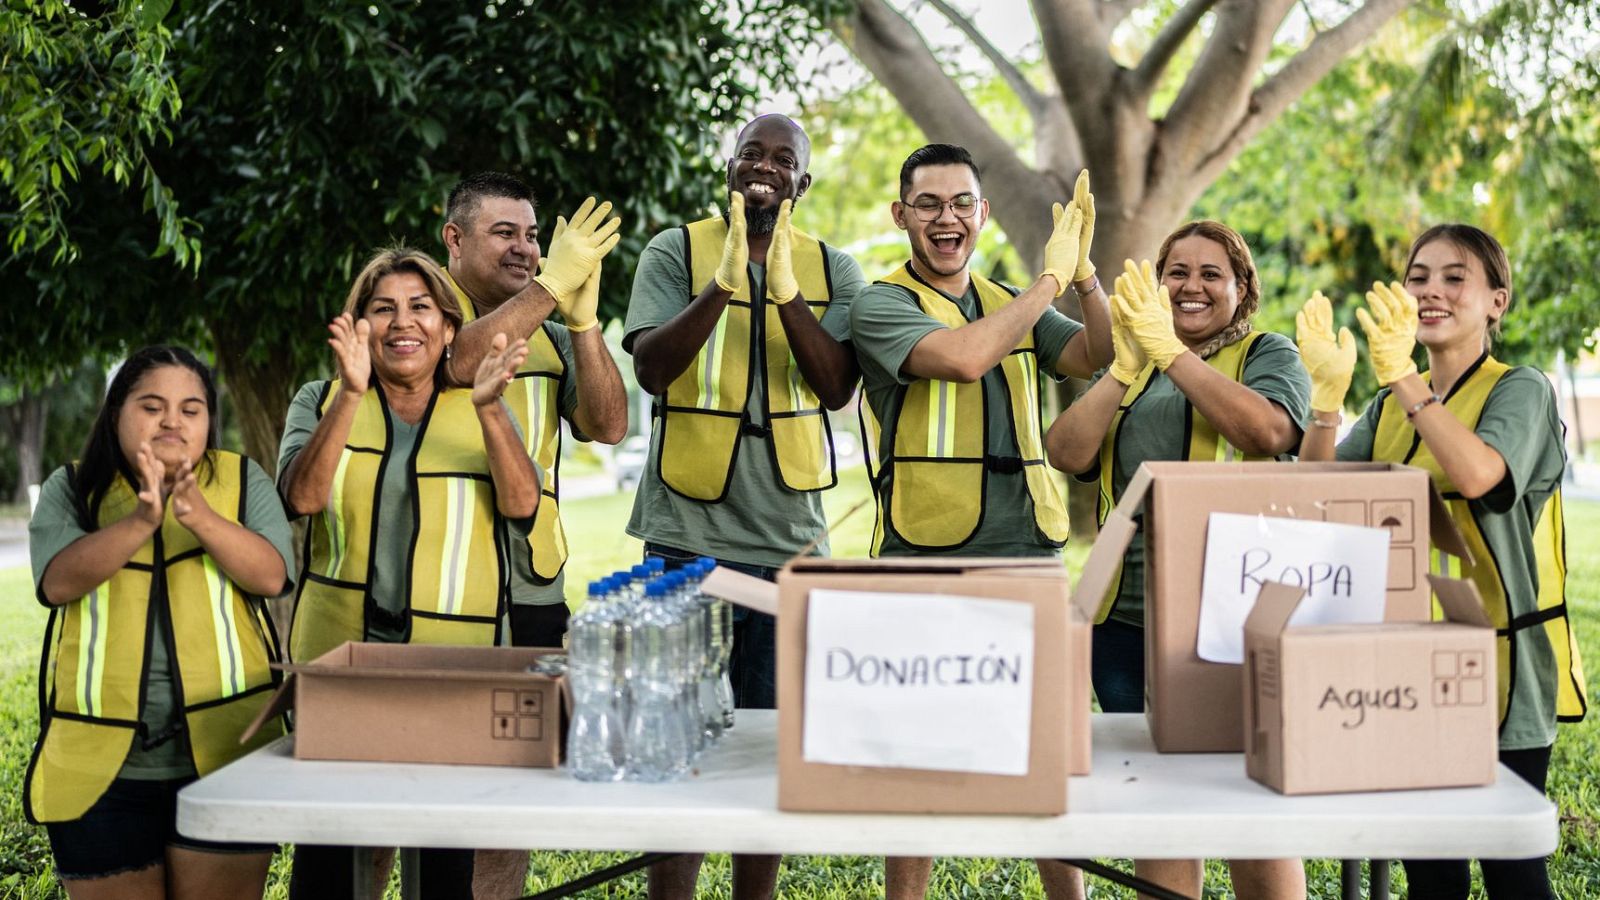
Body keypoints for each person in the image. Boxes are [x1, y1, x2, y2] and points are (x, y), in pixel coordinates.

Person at [849, 143, 1111, 900]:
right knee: (919, 753)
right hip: (922, 557)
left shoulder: (1009, 297)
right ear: (901, 216)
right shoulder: (880, 302)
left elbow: (1093, 352)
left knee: (1041, 744)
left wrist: (1085, 274)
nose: (946, 219)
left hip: (1027, 551)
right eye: (928, 205)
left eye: (962, 202)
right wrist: (1049, 283)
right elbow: (964, 358)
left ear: (982, 214)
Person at [1297, 224, 1587, 899]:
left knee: (1510, 868)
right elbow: (1316, 497)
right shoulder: (1386, 407)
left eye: (1455, 277)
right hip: (1407, 660)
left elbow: (1481, 475)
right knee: (1430, 868)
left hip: (1501, 660)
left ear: (1497, 302)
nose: (1431, 290)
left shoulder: (1522, 391)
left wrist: (1400, 374)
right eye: (1419, 276)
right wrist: (1326, 403)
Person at [624, 113, 864, 900]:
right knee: (678, 731)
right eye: (751, 154)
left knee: (774, 737)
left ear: (804, 182)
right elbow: (654, 369)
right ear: (730, 167)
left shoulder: (836, 268)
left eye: (782, 159)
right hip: (684, 530)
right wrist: (723, 283)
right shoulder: (675, 250)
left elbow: (835, 386)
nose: (764, 167)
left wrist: (787, 289)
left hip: (792, 535)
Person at [1044, 221, 1310, 900]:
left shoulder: (1266, 353)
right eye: (1177, 272)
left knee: (1251, 810)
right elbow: (1067, 452)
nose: (1191, 286)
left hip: (1228, 626)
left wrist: (1170, 354)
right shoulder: (1132, 362)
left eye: (1210, 273)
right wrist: (1128, 369)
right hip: (1125, 623)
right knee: (1156, 814)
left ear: (1241, 288)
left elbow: (1267, 431)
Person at [278, 248, 535, 900]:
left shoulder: (489, 398)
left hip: (452, 669)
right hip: (340, 662)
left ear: (450, 327)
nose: (403, 323)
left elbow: (522, 504)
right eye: (382, 308)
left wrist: (487, 410)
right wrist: (351, 395)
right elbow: (301, 499)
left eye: (421, 307)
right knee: (329, 860)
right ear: (359, 324)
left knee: (444, 866)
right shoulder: (319, 399)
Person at [26, 345, 293, 900]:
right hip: (96, 765)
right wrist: (145, 518)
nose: (173, 420)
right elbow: (57, 582)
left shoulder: (244, 482)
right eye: (153, 406)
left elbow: (270, 576)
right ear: (117, 411)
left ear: (208, 422)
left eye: (191, 409)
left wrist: (196, 513)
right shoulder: (71, 488)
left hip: (229, 753)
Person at [440, 172, 629, 649]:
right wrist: (552, 286)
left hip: (532, 578)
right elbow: (462, 360)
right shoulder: (421, 311)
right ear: (454, 239)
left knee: (534, 721)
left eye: (532, 236)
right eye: (504, 232)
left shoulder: (553, 335)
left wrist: (583, 323)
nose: (524, 248)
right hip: (442, 573)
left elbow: (608, 426)